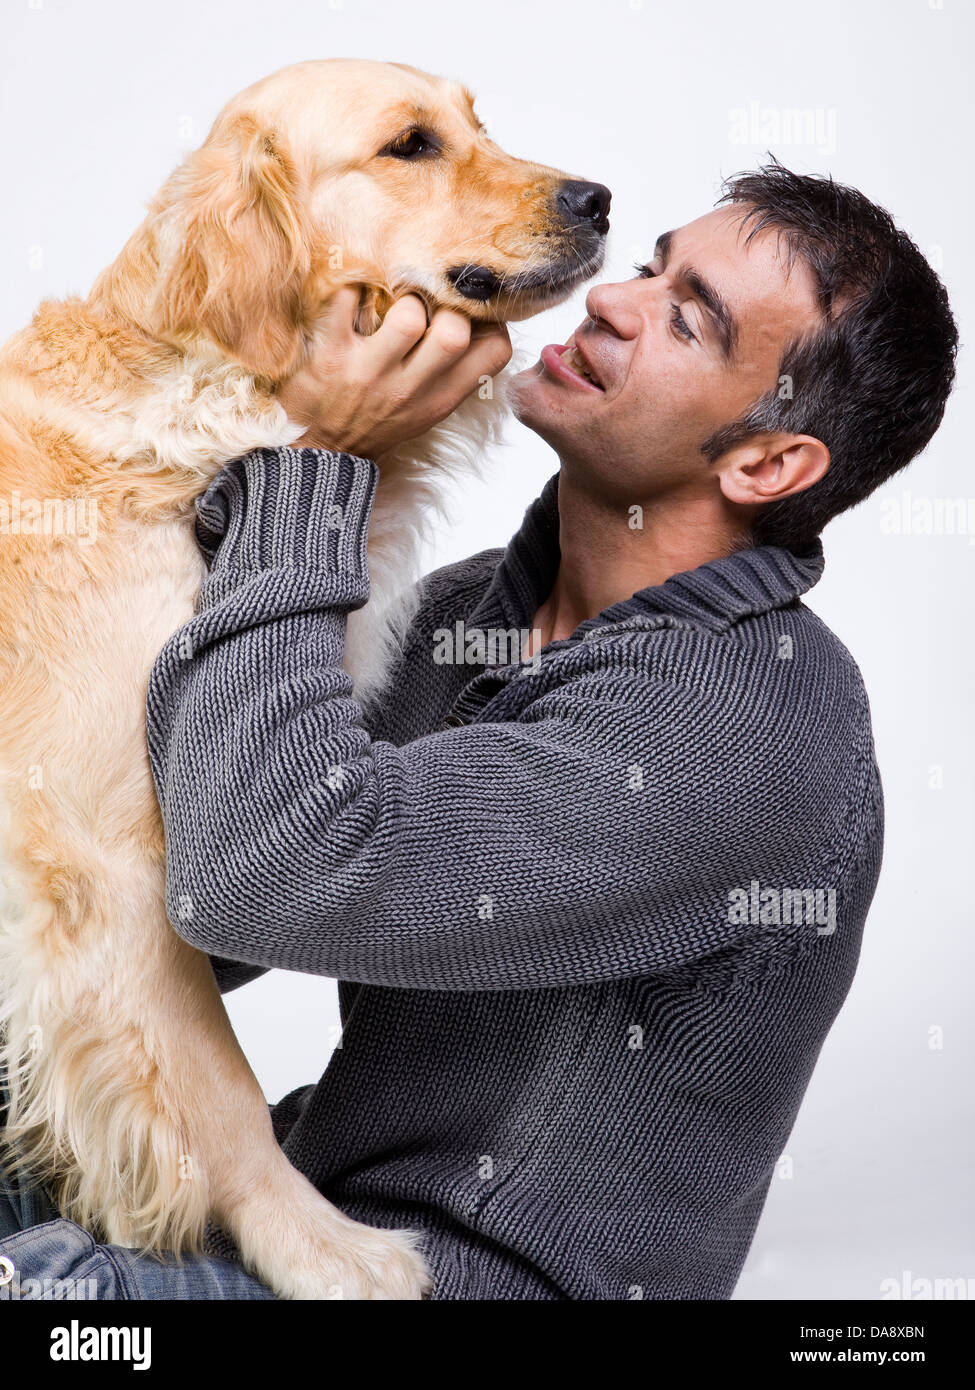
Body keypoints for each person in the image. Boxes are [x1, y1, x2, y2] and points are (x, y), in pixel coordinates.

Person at [0, 162, 957, 1301]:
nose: (613, 299)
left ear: (767, 461)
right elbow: (183, 898)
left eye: (687, 318)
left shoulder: (744, 719)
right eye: (651, 265)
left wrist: (319, 464)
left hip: (460, 1283)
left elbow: (263, 879)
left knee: (51, 1302)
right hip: (319, 1225)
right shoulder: (468, 620)